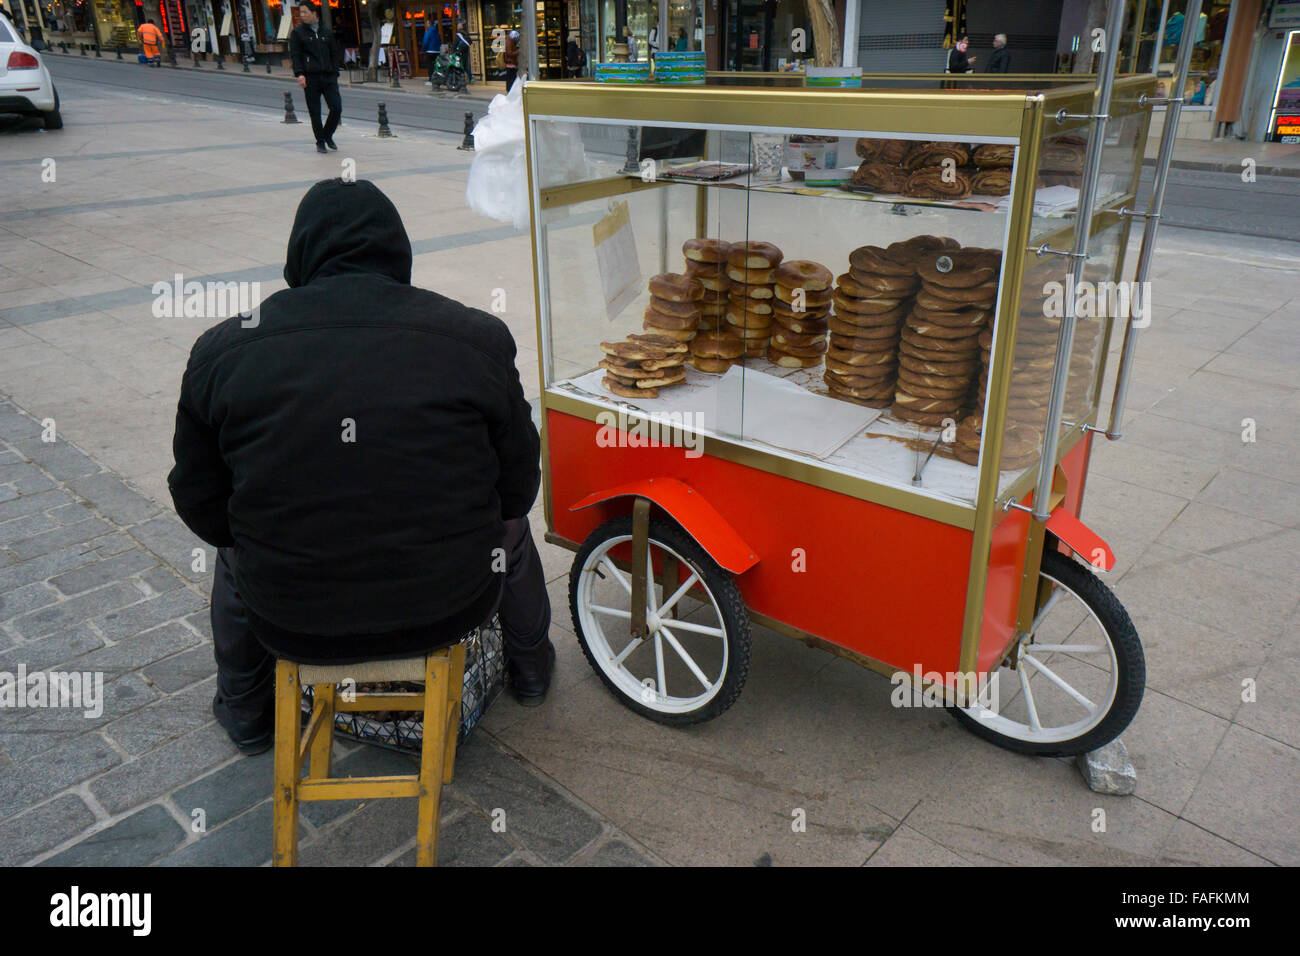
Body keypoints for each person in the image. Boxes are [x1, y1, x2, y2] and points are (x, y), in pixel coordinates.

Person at [169, 179, 554, 756]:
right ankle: (531, 672)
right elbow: (518, 489)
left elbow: (200, 504)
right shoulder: (475, 337)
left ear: (298, 257)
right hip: (448, 604)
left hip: (290, 618)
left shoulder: (222, 351)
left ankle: (248, 713)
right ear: (398, 251)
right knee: (512, 533)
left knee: (233, 552)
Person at [289, 2, 342, 154]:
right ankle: (320, 141)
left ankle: (327, 135)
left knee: (336, 108)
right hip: (310, 78)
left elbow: (333, 52)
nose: (302, 15)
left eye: (305, 12)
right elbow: (295, 55)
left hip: (328, 76)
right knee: (315, 112)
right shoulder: (298, 33)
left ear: (314, 13)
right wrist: (299, 73)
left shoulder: (326, 31)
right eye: (301, 12)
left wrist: (335, 71)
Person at [421, 20, 442, 86]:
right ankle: (437, 79)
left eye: (427, 23)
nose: (426, 25)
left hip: (430, 51)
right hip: (437, 51)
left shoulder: (428, 32)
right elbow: (439, 41)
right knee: (436, 65)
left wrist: (424, 49)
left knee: (430, 66)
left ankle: (431, 80)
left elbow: (425, 41)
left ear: (429, 24)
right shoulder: (436, 32)